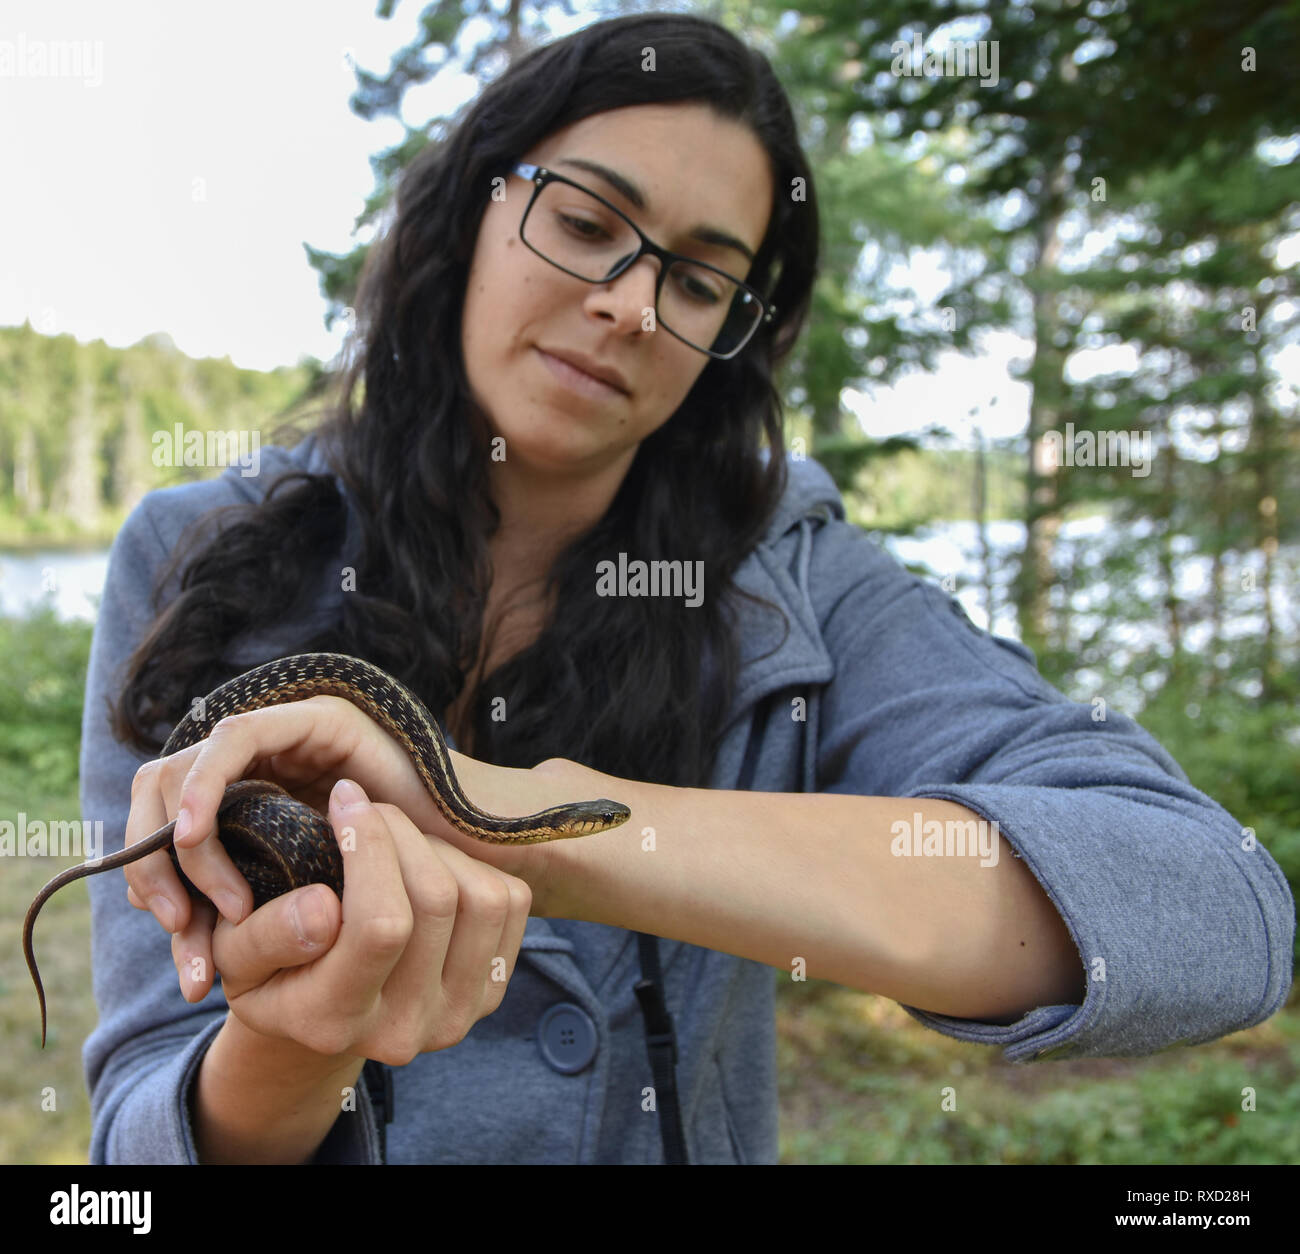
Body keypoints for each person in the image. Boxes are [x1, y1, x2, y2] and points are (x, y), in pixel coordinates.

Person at [76, 13, 1293, 1165]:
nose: (629, 305)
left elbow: (1211, 905)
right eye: (587, 222)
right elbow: (137, 1138)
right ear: (469, 212)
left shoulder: (790, 577)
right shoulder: (201, 549)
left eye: (701, 283)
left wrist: (506, 815)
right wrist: (295, 1043)